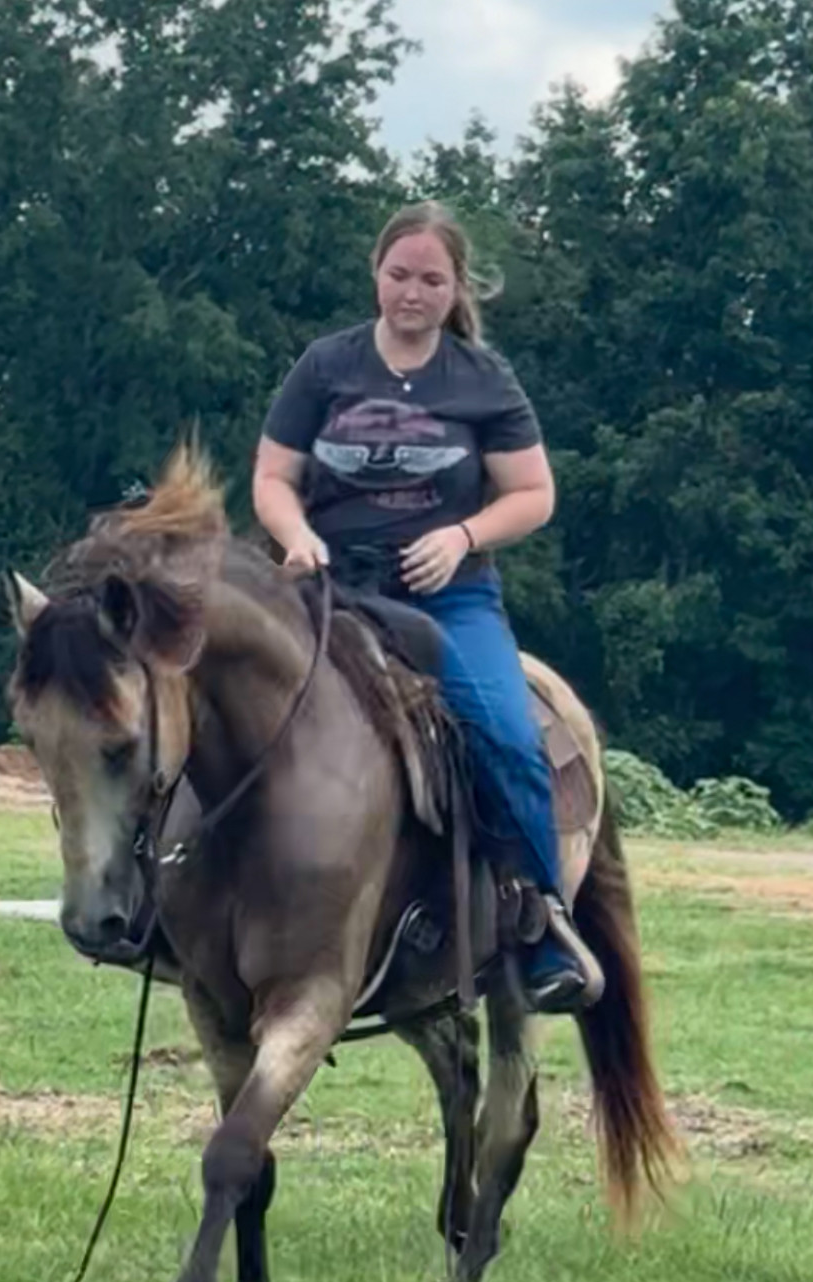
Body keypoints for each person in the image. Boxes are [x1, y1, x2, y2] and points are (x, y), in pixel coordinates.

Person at [252, 201, 603, 1014]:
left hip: (451, 600)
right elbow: (273, 477)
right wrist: (296, 535)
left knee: (507, 734)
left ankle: (541, 922)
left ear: (456, 289)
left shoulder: (482, 379)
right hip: (332, 590)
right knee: (226, 696)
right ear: (376, 274)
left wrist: (462, 535)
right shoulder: (325, 366)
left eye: (432, 281)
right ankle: (173, 891)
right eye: (399, 274)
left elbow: (534, 494)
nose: (413, 292)